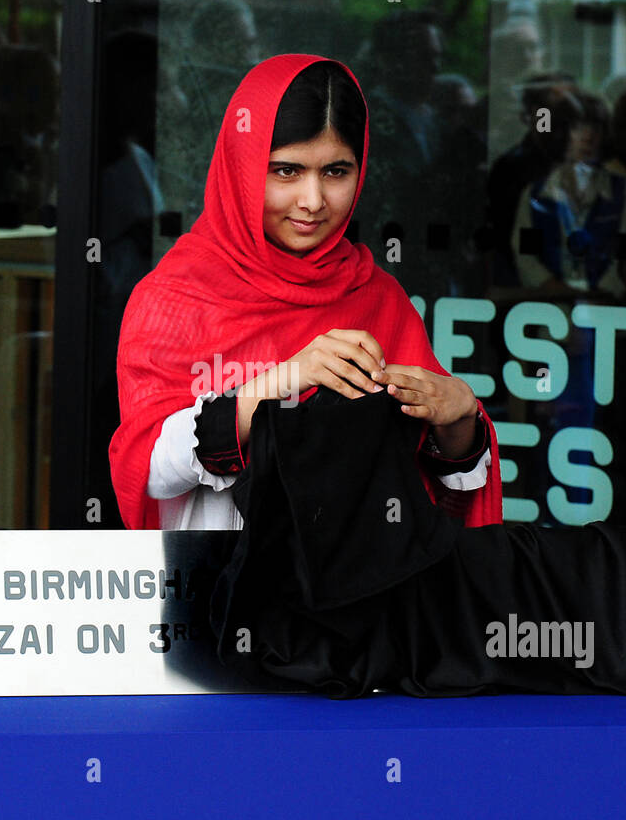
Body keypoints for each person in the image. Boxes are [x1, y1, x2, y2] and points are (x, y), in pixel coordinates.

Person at [109, 54, 504, 531]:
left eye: (336, 171)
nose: (313, 201)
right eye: (286, 171)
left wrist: (459, 419)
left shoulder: (378, 297)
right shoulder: (175, 299)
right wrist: (281, 382)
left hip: (359, 597)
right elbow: (145, 469)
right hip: (218, 595)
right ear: (240, 166)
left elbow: (426, 484)